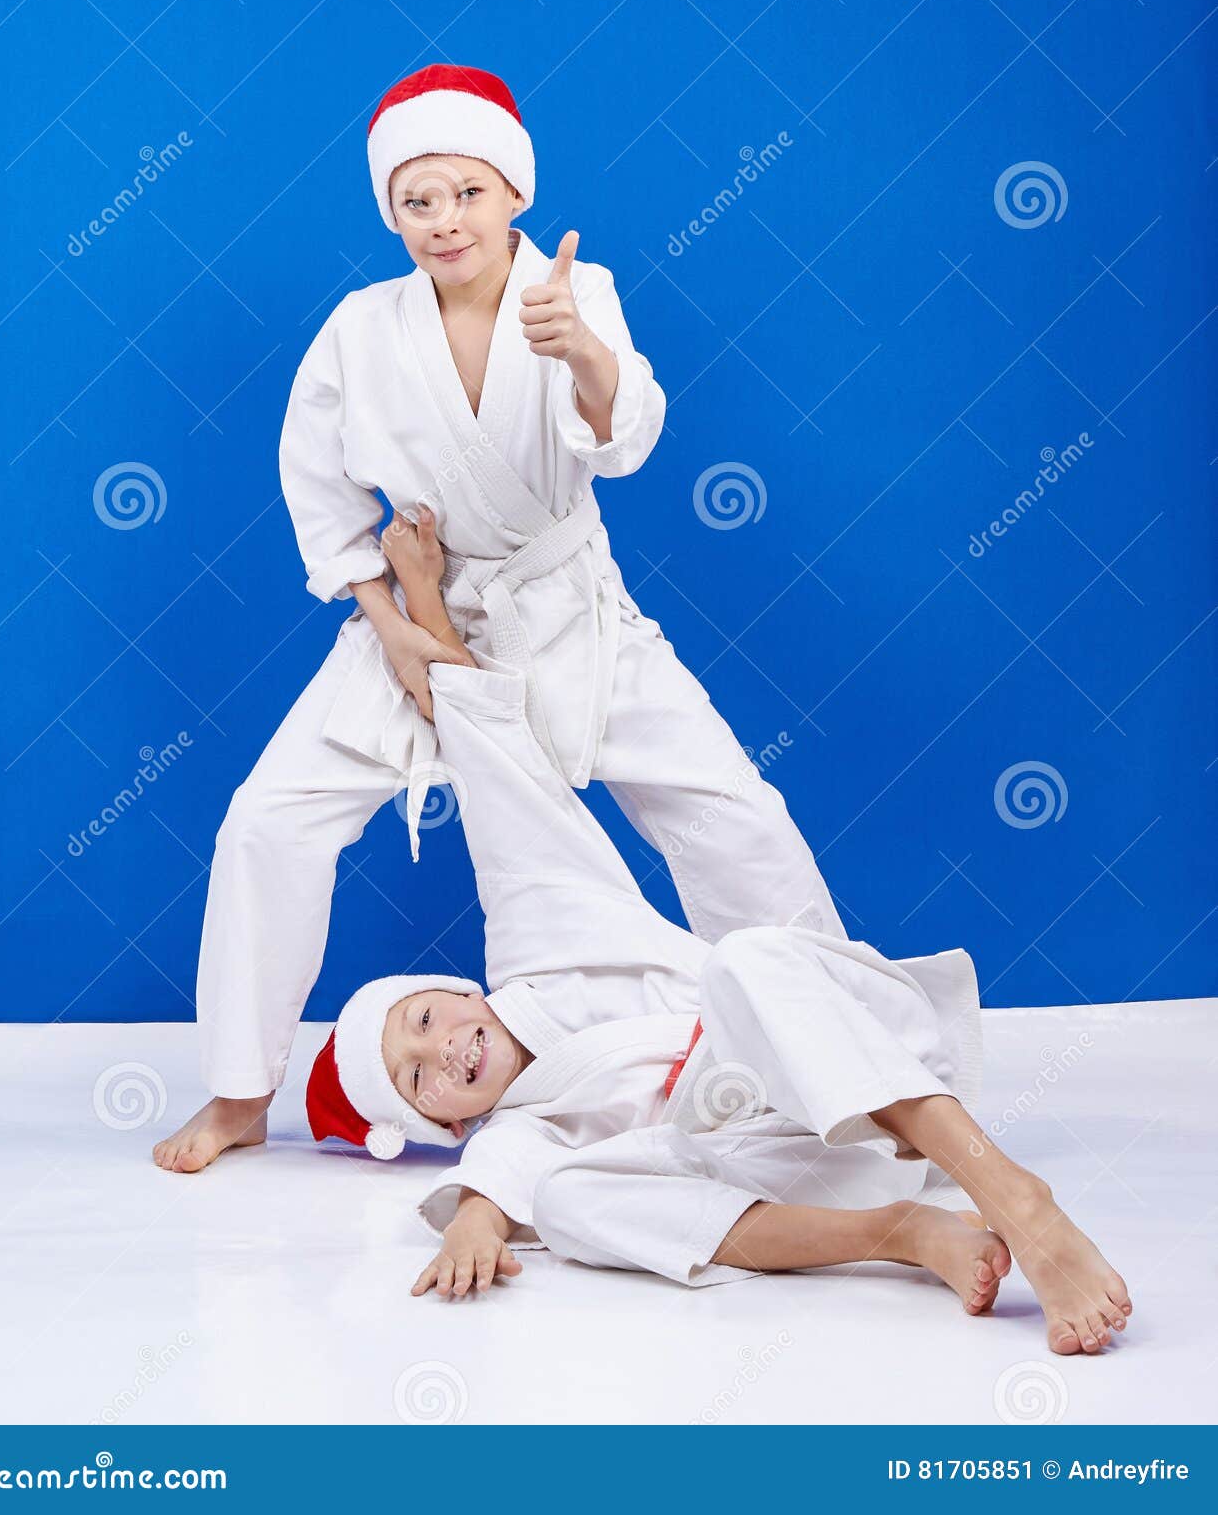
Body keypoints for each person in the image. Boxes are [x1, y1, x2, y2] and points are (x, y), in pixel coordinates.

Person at [154, 64, 844, 1173]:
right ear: (392, 212)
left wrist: (581, 351)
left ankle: (849, 1057)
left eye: (466, 192)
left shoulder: (574, 291)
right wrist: (395, 626)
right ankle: (239, 1092)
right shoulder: (359, 330)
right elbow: (324, 497)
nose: (443, 221)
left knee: (734, 816)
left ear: (512, 193)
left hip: (567, 602)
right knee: (268, 820)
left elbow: (625, 438)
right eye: (416, 200)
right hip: (418, 598)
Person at [305, 514, 1132, 1358]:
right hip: (805, 1169)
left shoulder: (536, 940)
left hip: (867, 1069)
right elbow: (499, 1181)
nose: (440, 1052)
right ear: (444, 1128)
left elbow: (496, 769)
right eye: (417, 1081)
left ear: (455, 990)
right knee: (562, 1208)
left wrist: (425, 613)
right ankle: (905, 1234)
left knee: (746, 958)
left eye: (420, 1023)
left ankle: (1010, 1195)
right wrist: (471, 1227)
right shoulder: (523, 1126)